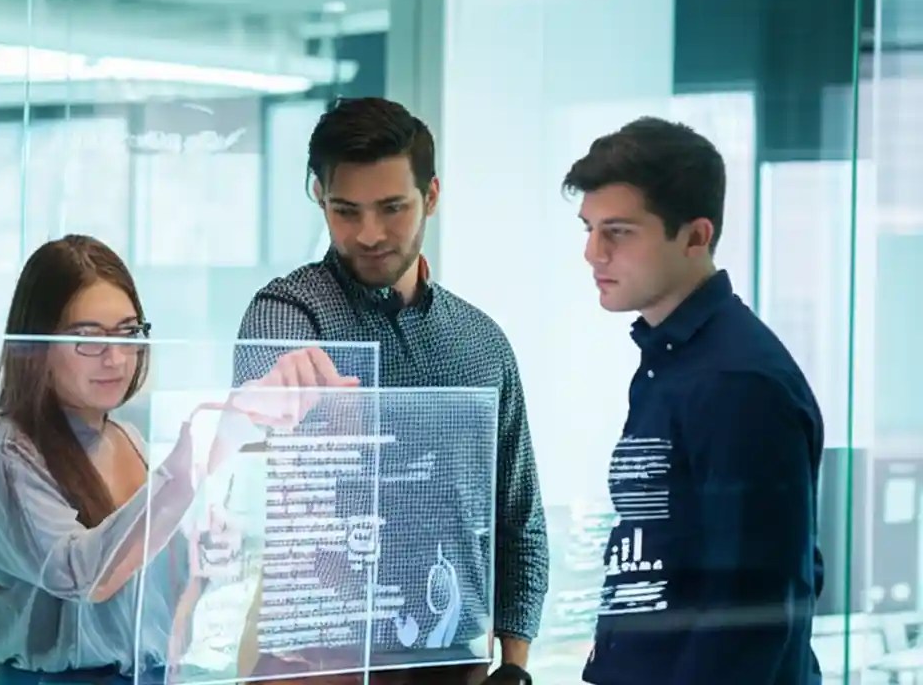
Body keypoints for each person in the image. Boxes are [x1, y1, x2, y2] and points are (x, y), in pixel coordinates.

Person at [233, 96, 548, 685]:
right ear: (319, 197)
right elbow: (263, 379)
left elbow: (517, 516)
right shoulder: (290, 310)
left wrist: (515, 664)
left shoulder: (481, 343)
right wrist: (278, 386)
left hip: (455, 659)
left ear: (431, 196)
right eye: (346, 210)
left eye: (392, 208)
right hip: (322, 659)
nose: (370, 234)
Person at [0, 234, 347, 685]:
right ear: (37, 345)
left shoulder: (126, 436)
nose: (116, 358)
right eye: (87, 338)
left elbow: (152, 585)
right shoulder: (7, 450)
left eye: (128, 333)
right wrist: (193, 460)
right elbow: (85, 575)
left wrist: (205, 551)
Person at [564, 116, 824, 685]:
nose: (592, 253)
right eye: (588, 228)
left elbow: (758, 606)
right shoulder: (672, 360)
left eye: (619, 231)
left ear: (696, 235)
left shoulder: (737, 380)